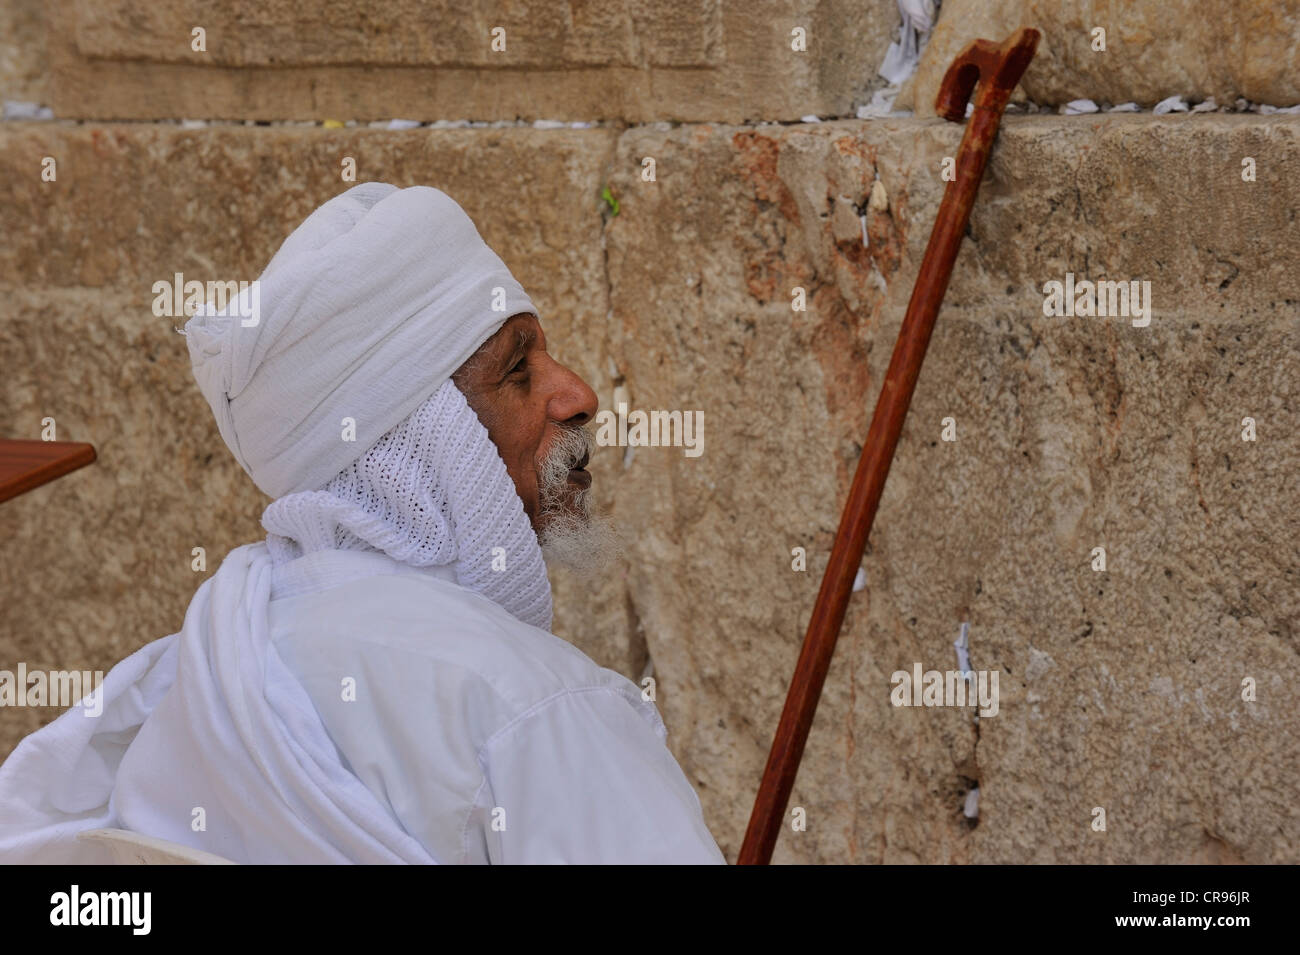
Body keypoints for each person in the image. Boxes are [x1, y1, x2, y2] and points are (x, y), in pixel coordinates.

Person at [0, 183, 726, 864]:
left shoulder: (204, 676)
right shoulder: (533, 707)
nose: (578, 394)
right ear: (421, 440)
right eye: (518, 371)